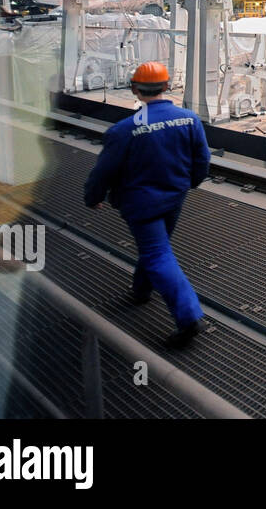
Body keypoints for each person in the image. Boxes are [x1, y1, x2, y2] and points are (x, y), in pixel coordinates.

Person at [83, 62, 210, 349]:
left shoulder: (123, 130)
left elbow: (104, 171)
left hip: (140, 204)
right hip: (174, 197)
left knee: (156, 252)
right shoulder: (190, 120)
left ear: (135, 90)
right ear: (167, 86)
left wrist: (93, 198)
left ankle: (188, 317)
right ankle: (140, 290)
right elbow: (202, 162)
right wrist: (189, 184)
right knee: (156, 247)